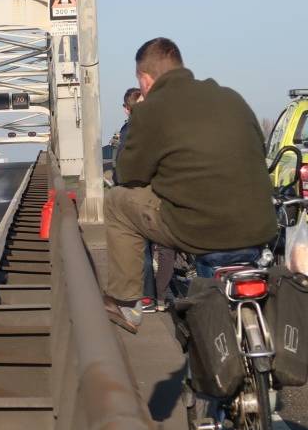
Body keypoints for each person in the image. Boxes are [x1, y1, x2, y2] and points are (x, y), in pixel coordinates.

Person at [103, 38, 275, 332]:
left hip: (200, 231)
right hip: (260, 227)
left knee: (116, 202)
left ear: (144, 79)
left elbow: (129, 175)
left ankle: (127, 302)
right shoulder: (230, 97)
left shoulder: (151, 110)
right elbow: (257, 152)